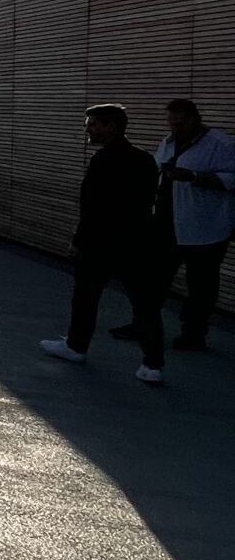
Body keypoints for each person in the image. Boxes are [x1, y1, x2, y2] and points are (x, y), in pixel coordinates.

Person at [40, 104, 164, 382]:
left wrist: (78, 240)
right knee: (144, 304)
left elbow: (92, 206)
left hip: (100, 243)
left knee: (86, 296)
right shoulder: (144, 159)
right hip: (137, 242)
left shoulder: (103, 160)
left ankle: (76, 345)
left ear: (112, 127)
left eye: (93, 124)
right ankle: (153, 364)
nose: (88, 129)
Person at [146, 97, 235, 352]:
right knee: (154, 279)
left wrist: (195, 177)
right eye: (171, 122)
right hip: (166, 223)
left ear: (195, 119)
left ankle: (194, 334)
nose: (175, 127)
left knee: (201, 285)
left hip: (205, 228)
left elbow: (232, 178)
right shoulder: (168, 142)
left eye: (181, 122)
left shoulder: (221, 144)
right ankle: (143, 323)